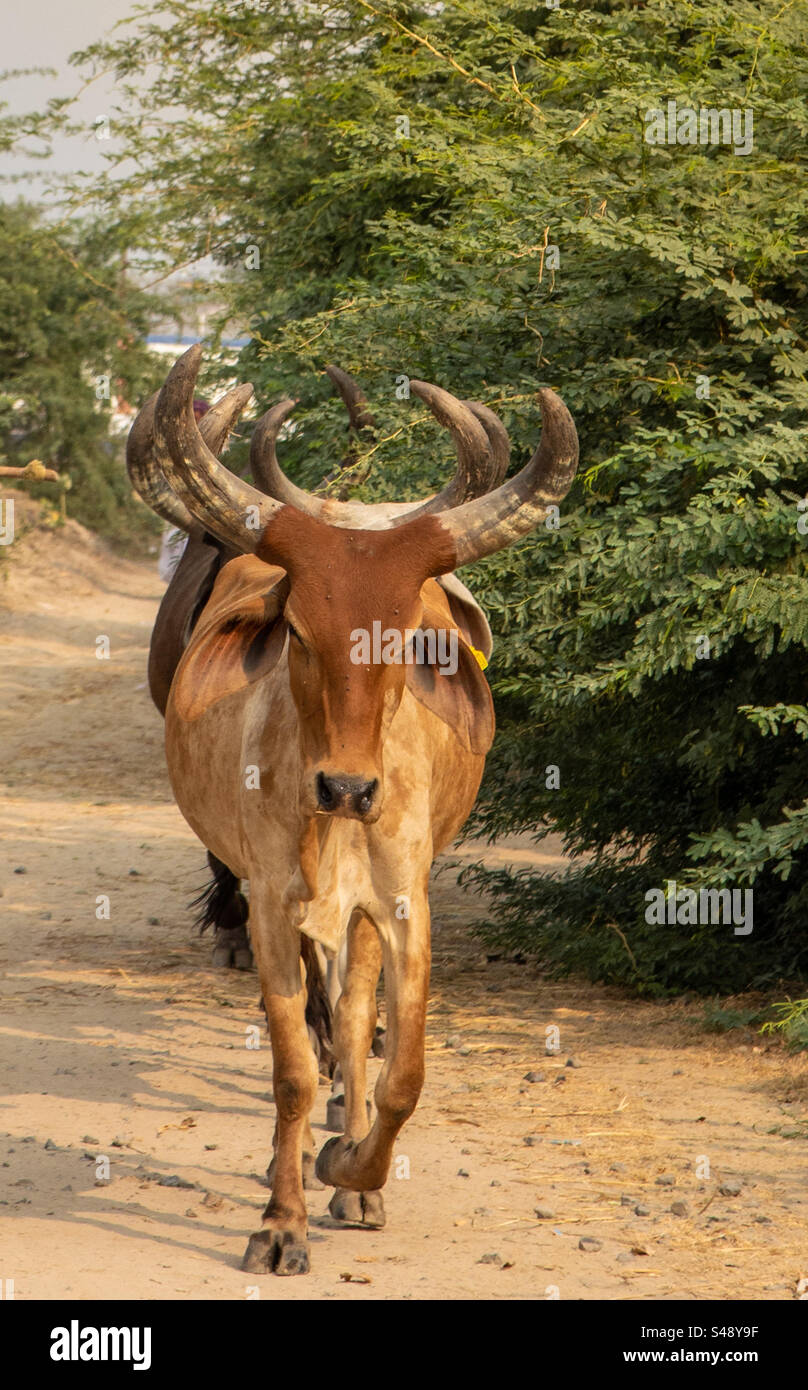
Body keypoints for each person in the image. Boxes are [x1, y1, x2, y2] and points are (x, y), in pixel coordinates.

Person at [157, 397, 209, 582]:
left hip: (207, 501)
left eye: (200, 416)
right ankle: (176, 582)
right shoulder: (175, 439)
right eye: (192, 416)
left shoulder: (218, 441)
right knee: (175, 539)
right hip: (179, 497)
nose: (196, 420)